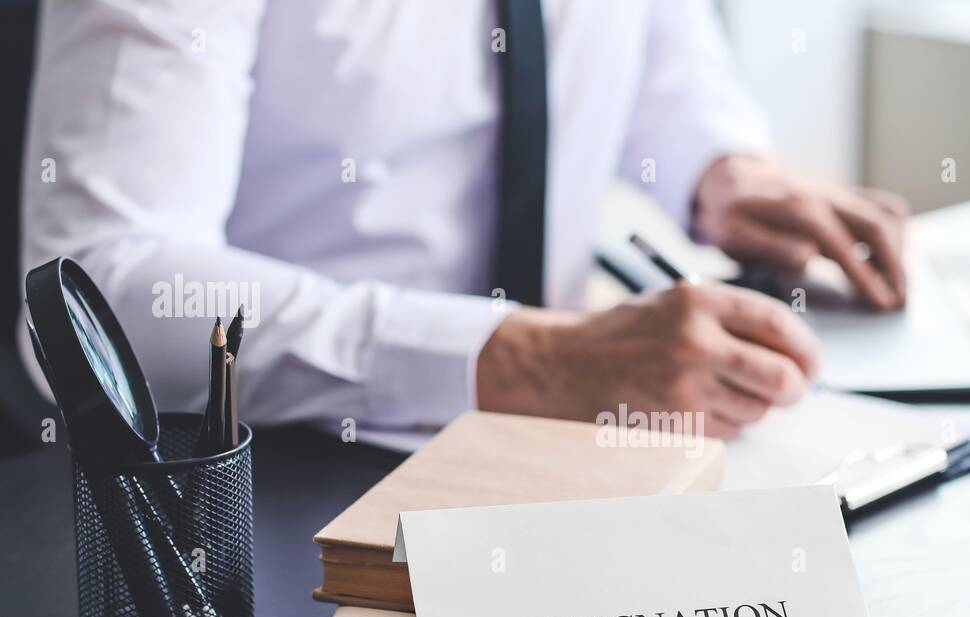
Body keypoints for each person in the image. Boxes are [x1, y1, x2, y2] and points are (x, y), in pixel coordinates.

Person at [22, 0, 907, 439]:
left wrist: (721, 165)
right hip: (293, 478)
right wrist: (526, 359)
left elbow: (652, 37)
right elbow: (102, 282)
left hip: (580, 442)